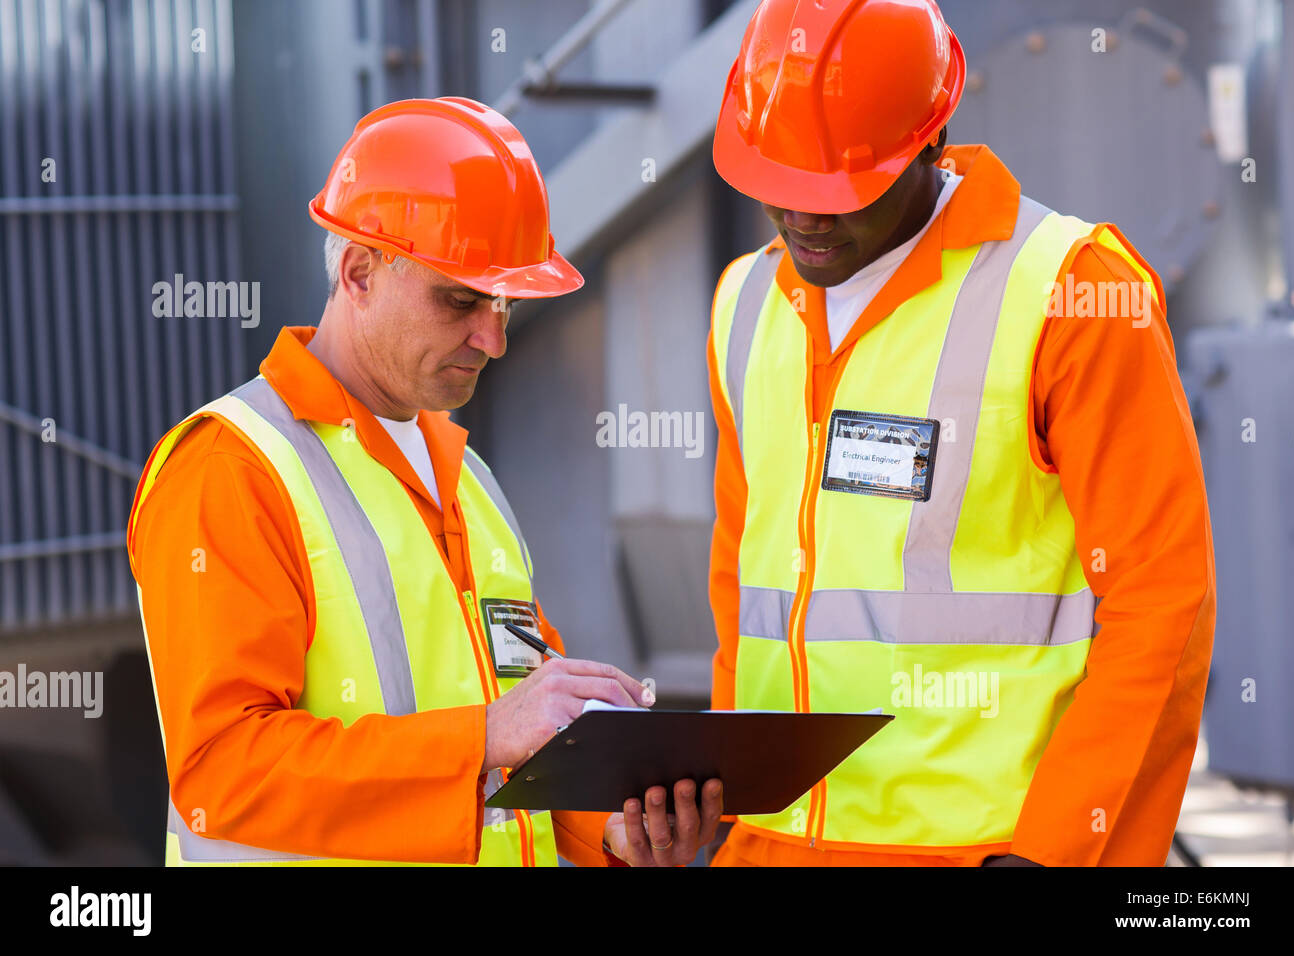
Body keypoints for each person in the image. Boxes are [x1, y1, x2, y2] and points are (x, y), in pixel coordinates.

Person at [127, 97, 721, 867]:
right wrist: (481, 736)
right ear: (359, 272)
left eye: (503, 302)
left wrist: (610, 831)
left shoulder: (466, 478)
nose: (494, 338)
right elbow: (222, 772)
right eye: (461, 300)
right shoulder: (231, 469)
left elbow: (522, 754)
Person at [705, 0, 1213, 866]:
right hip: (773, 844)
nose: (806, 221)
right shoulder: (746, 302)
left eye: (842, 192)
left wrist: (1058, 852)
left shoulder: (1072, 295)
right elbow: (741, 586)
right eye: (779, 186)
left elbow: (1160, 612)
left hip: (985, 850)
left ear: (933, 142)